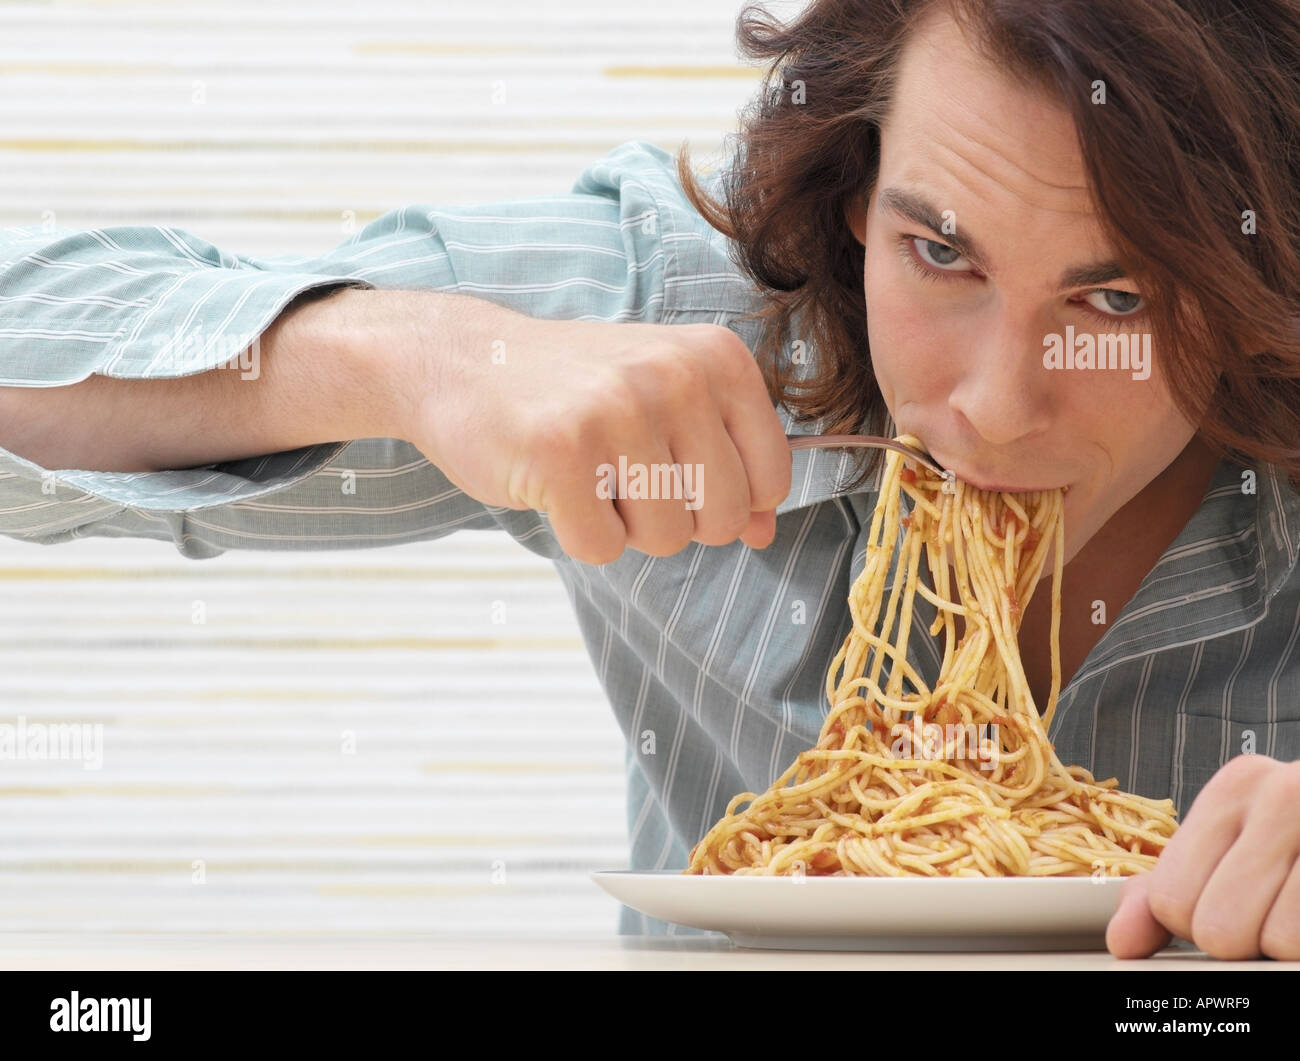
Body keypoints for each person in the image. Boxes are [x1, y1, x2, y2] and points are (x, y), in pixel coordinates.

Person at [0, 0, 1297, 959]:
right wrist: (410, 353)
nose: (997, 407)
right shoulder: (679, 313)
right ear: (858, 192)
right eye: (939, 253)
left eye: (1115, 295)